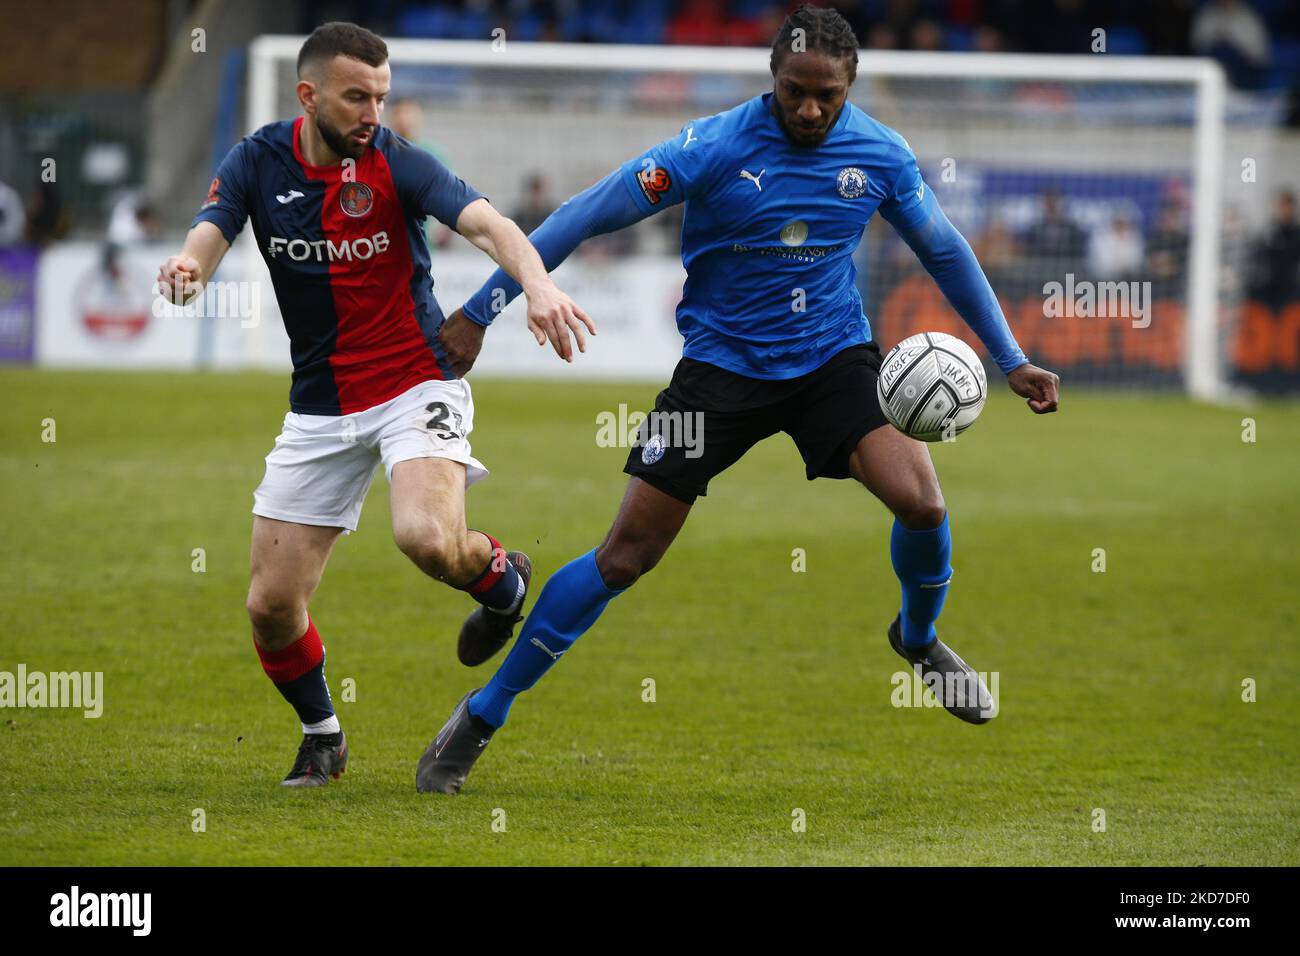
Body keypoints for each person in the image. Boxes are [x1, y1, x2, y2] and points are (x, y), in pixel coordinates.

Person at [417, 4, 1059, 795]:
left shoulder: (882, 155)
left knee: (923, 503)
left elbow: (944, 249)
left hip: (832, 362)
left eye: (827, 95)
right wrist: (481, 311)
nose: (811, 109)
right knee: (625, 556)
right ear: (773, 80)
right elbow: (584, 213)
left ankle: (918, 639)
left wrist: (1012, 358)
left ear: (851, 84)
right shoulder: (711, 147)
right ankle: (483, 714)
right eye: (796, 92)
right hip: (719, 374)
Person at [155, 21, 593, 789]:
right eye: (357, 97)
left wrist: (540, 285)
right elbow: (209, 233)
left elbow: (491, 225)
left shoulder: (399, 164)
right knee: (270, 605)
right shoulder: (257, 160)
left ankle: (496, 580)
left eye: (382, 98)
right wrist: (189, 269)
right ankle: (323, 737)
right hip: (320, 406)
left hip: (415, 380)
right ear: (309, 95)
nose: (372, 113)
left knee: (426, 538)